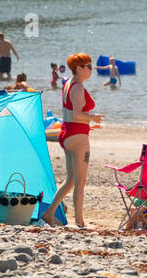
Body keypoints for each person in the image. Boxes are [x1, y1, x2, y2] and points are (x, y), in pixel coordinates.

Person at [40, 53, 103, 228]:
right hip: (77, 137)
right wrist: (93, 118)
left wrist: (88, 125)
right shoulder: (78, 87)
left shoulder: (68, 84)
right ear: (79, 69)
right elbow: (77, 113)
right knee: (80, 182)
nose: (91, 69)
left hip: (68, 133)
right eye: (88, 66)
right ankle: (80, 222)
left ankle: (49, 212)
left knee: (71, 181)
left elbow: (70, 115)